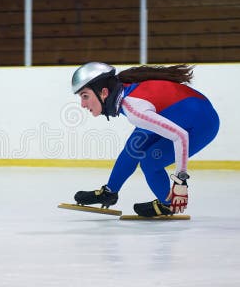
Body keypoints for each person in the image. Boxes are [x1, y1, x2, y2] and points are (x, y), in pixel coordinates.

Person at [71, 62, 220, 217]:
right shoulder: (125, 89)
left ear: (104, 93)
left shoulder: (134, 108)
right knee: (133, 147)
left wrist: (180, 183)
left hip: (202, 124)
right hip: (178, 112)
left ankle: (169, 204)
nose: (82, 104)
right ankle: (109, 193)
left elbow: (180, 136)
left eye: (85, 96)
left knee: (150, 162)